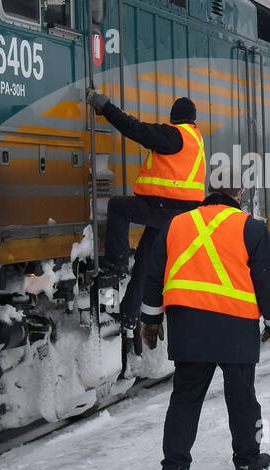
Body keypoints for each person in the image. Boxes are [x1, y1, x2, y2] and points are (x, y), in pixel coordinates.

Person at [140, 182, 270, 470]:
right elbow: (267, 282)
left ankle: (175, 468)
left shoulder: (176, 224)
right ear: (241, 194)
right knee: (242, 395)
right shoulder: (251, 228)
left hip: (188, 326)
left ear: (209, 190)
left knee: (185, 397)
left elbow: (153, 275)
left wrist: (150, 321)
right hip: (235, 326)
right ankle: (248, 458)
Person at [86, 89, 204, 331]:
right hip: (180, 213)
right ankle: (129, 315)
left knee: (118, 207)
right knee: (145, 262)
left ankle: (116, 264)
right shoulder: (195, 137)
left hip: (166, 208)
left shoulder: (174, 136)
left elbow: (135, 129)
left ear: (174, 118)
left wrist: (106, 107)